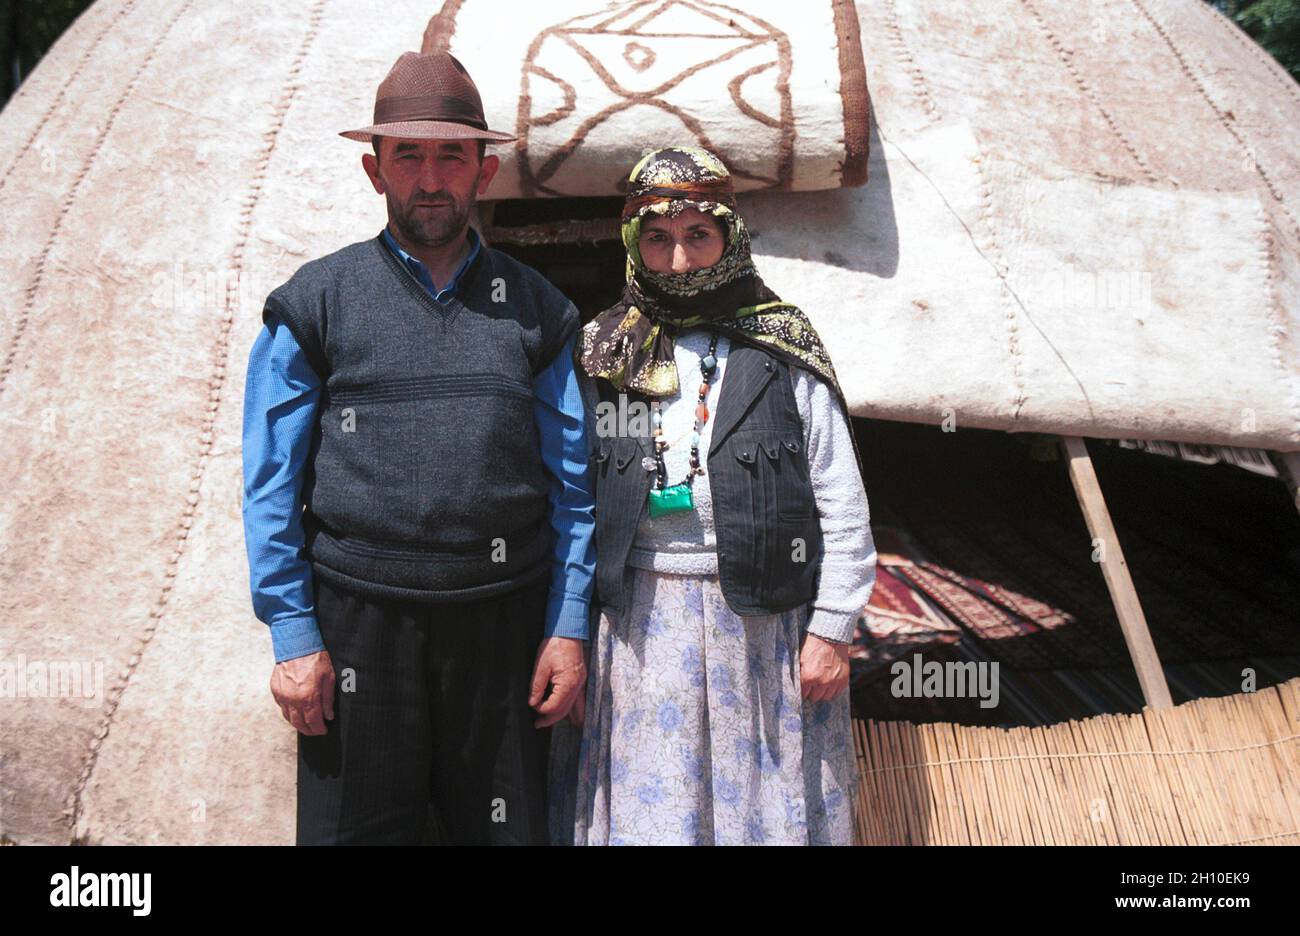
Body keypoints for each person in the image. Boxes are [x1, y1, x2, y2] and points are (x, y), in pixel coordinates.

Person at [240, 50, 595, 844]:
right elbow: (270, 484)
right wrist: (294, 636)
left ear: (485, 172)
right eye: (409, 156)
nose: (430, 178)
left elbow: (574, 486)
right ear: (375, 172)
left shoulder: (538, 312)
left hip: (504, 631)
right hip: (359, 629)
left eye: (451, 156)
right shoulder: (317, 304)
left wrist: (568, 627)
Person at [548, 146, 877, 845]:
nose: (679, 259)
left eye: (699, 235)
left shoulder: (781, 344)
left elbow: (840, 498)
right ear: (634, 243)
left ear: (730, 236)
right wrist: (570, 630)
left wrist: (832, 629)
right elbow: (573, 501)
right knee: (654, 815)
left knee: (762, 813)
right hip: (639, 626)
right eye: (658, 239)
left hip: (763, 629)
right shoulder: (605, 353)